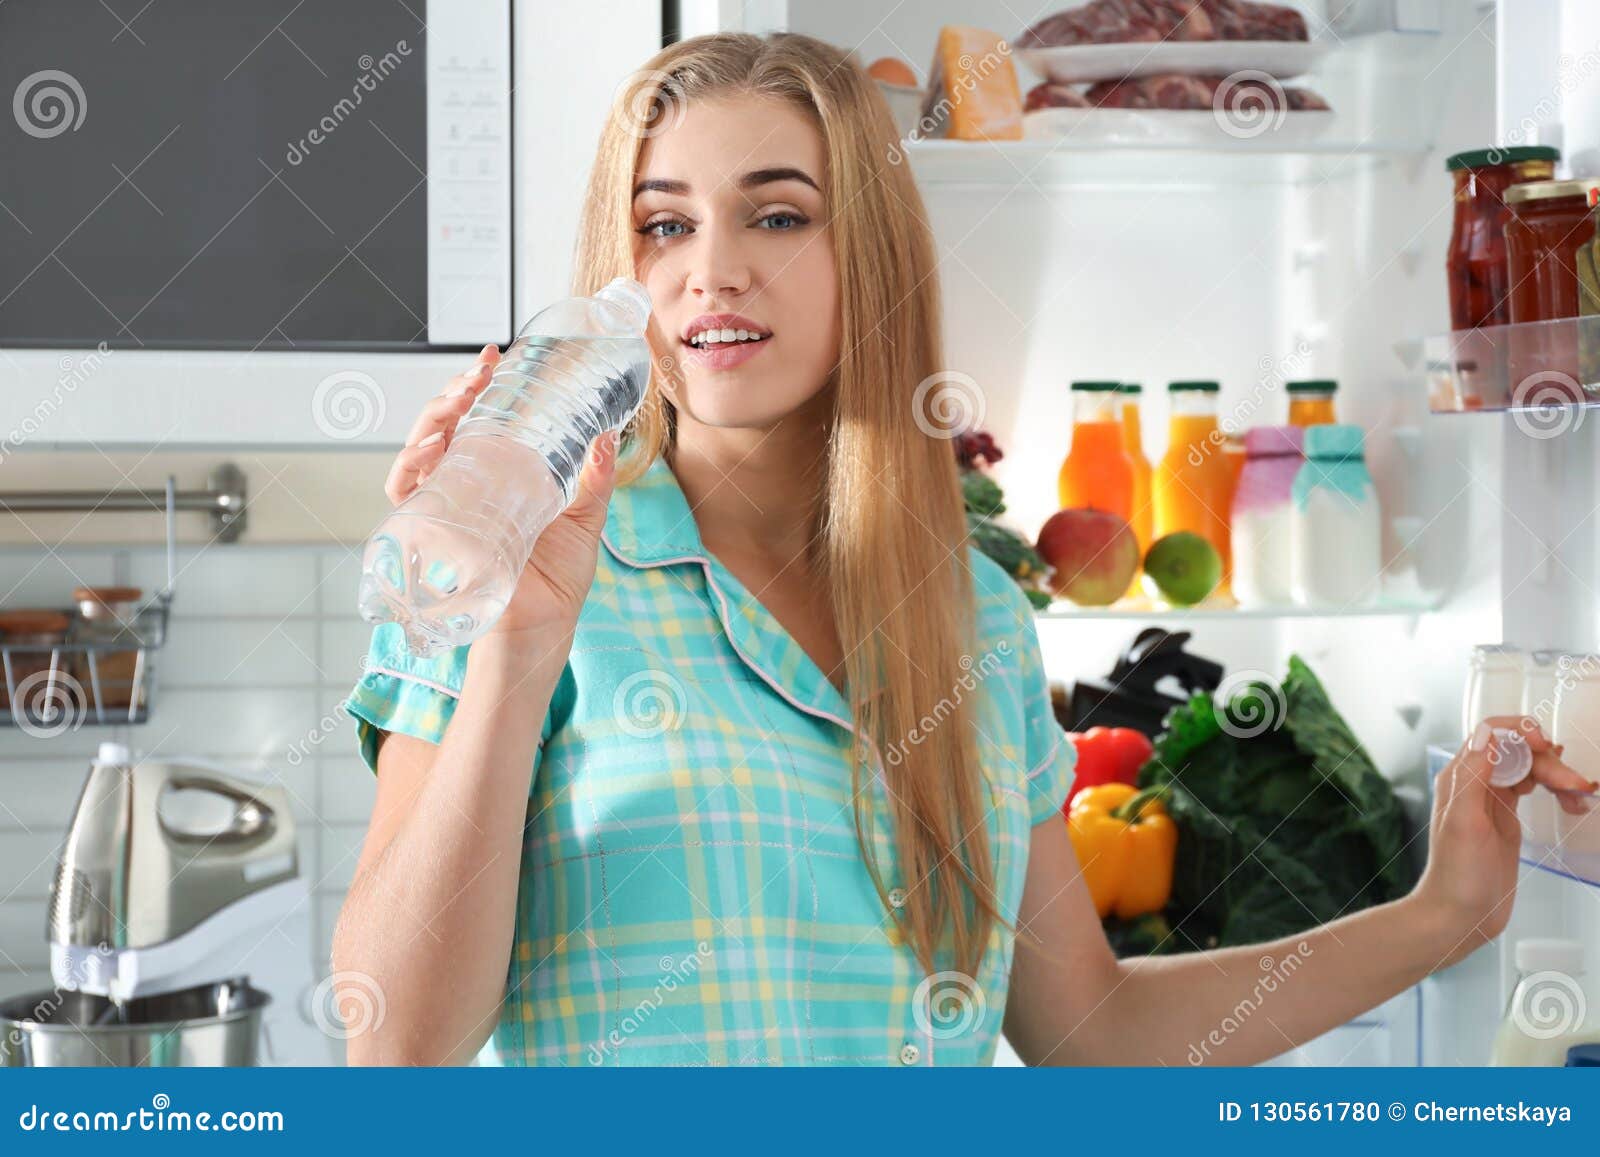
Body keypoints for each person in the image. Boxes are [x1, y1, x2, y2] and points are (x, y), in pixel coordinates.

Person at [332, 32, 1597, 1067]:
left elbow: (1090, 1030)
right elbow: (395, 1050)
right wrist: (515, 646)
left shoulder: (973, 619)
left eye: (775, 216)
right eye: (664, 227)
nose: (709, 272)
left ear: (868, 258)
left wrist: (1443, 912)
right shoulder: (514, 566)